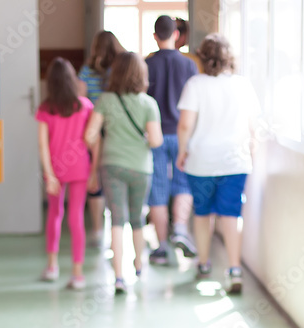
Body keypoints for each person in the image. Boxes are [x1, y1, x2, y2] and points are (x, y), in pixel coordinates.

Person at [176, 33, 261, 295]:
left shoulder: (195, 84)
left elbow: (185, 124)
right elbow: (253, 125)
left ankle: (203, 263)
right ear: (229, 58)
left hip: (201, 161)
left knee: (202, 214)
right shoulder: (243, 84)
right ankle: (234, 269)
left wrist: (182, 151)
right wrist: (252, 149)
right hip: (235, 162)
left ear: (203, 57)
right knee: (231, 214)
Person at [85, 52, 163, 295]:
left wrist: (105, 139)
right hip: (141, 167)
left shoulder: (106, 100)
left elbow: (89, 135)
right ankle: (138, 265)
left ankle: (118, 277)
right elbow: (156, 141)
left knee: (116, 220)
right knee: (137, 218)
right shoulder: (148, 103)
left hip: (112, 165)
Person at [36, 57, 97, 290]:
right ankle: (78, 274)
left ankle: (52, 267)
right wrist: (93, 171)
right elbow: (93, 140)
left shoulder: (45, 109)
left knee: (54, 214)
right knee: (76, 217)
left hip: (56, 170)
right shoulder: (84, 106)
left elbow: (42, 144)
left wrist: (49, 175)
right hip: (79, 168)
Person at [145, 16, 198, 266]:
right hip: (182, 133)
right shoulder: (189, 66)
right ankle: (180, 228)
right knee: (183, 182)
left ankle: (161, 247)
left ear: (155, 36)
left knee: (157, 187)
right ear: (176, 34)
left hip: (154, 135)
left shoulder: (147, 65)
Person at [78, 31, 125, 247]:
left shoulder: (86, 72)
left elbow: (80, 101)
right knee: (115, 176)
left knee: (94, 177)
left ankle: (97, 230)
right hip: (116, 130)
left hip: (93, 130)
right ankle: (118, 229)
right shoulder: (120, 71)